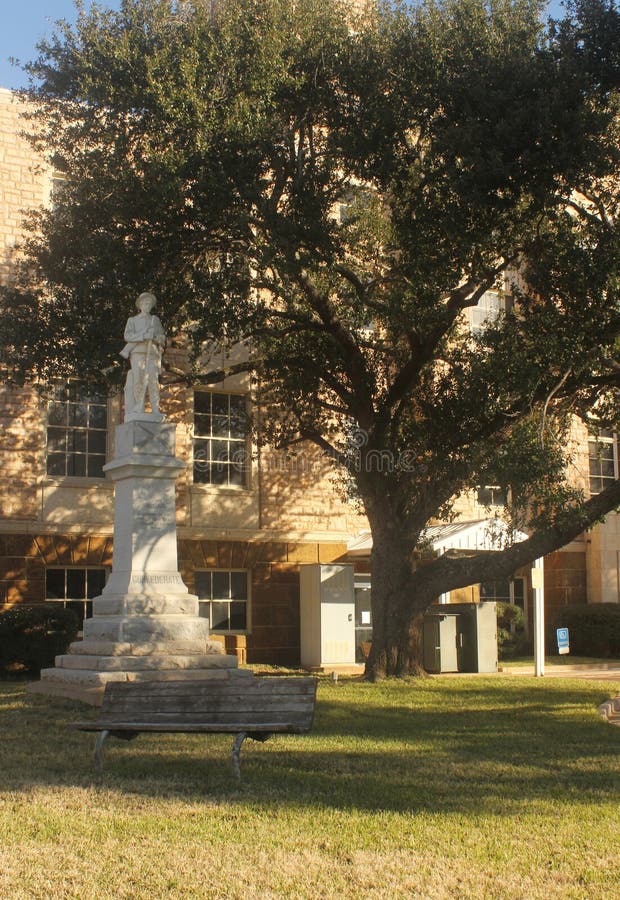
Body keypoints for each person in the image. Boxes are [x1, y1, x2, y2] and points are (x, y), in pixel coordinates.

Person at [121, 292, 166, 419]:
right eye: (145, 303)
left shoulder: (155, 320)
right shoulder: (133, 320)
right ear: (140, 305)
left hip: (152, 354)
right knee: (138, 381)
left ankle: (155, 408)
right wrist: (143, 336)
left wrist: (156, 338)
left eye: (149, 304)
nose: (147, 306)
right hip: (138, 354)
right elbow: (127, 336)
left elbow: (162, 337)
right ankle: (139, 407)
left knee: (153, 381)